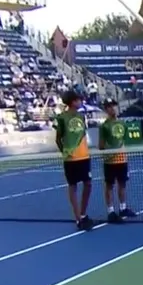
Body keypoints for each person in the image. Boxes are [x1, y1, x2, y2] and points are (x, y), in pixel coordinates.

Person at [53, 90, 93, 229]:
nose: (80, 102)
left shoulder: (81, 116)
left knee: (88, 184)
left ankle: (83, 214)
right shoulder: (61, 118)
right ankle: (78, 218)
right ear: (72, 101)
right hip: (71, 159)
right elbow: (58, 139)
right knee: (73, 186)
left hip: (84, 156)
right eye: (78, 100)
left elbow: (83, 134)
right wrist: (65, 152)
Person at [98, 98, 135, 223]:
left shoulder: (122, 124)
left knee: (122, 184)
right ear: (106, 110)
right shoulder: (104, 126)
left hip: (122, 159)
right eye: (109, 106)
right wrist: (110, 152)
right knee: (109, 185)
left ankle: (123, 208)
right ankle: (111, 212)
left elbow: (122, 140)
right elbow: (101, 145)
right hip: (110, 161)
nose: (112, 108)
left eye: (114, 106)